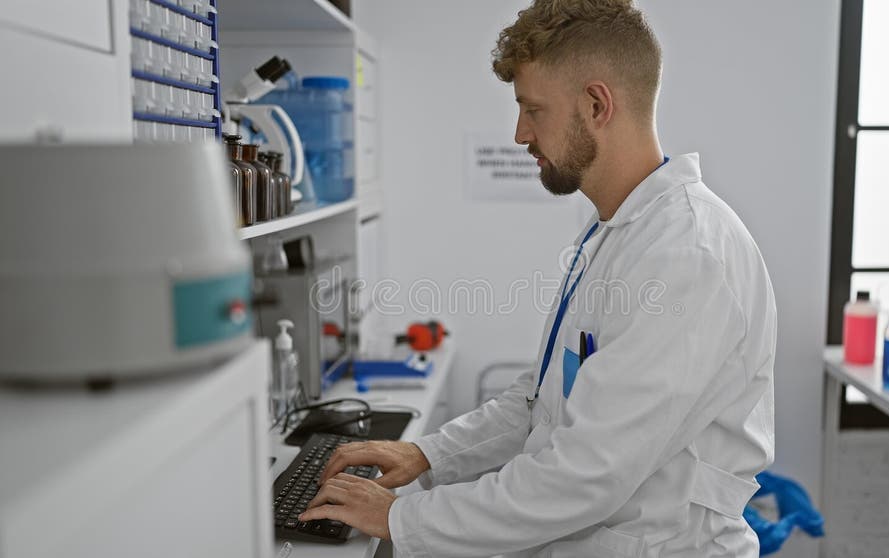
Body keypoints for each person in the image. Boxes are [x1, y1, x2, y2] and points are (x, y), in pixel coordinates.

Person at [299, 0, 776, 556]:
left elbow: (586, 476)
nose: (520, 133)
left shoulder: (686, 255)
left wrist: (404, 518)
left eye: (533, 109)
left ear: (597, 105)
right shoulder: (612, 234)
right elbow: (541, 401)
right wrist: (426, 455)